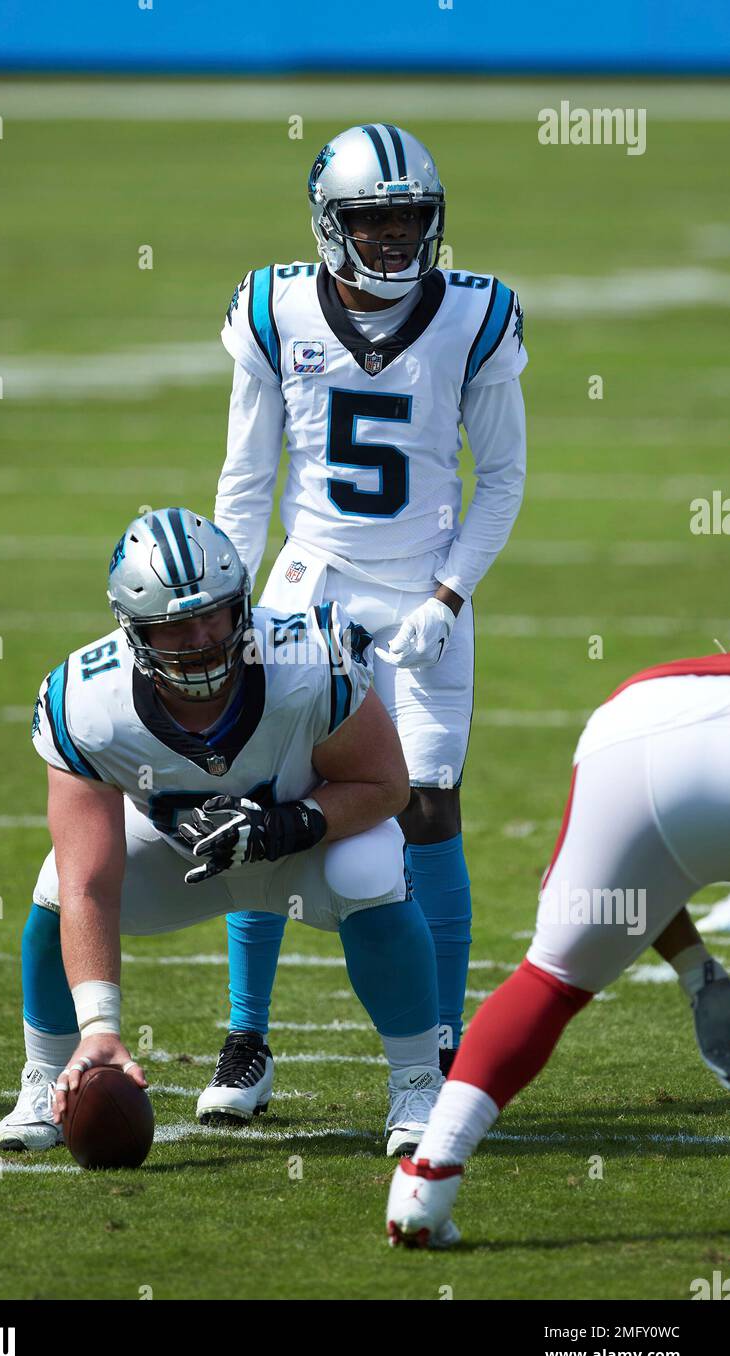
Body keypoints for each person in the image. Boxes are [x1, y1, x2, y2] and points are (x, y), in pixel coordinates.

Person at [208, 122, 528, 1122]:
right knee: (264, 797)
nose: (392, 243)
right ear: (327, 227)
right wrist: (232, 609)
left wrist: (446, 595)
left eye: (407, 223)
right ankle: (246, 1038)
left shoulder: (473, 314)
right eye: (371, 223)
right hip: (312, 577)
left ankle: (437, 1047)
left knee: (427, 805)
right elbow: (246, 482)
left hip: (421, 582)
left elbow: (503, 478)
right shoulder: (274, 310)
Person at [0, 506, 444, 1158]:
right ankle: (45, 1082)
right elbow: (88, 881)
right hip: (179, 861)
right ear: (133, 629)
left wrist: (286, 827)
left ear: (243, 604)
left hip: (305, 851)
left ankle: (418, 1084)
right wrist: (101, 1028)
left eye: (213, 614)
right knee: (57, 884)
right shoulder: (87, 702)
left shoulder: (310, 659)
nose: (201, 637)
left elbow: (387, 789)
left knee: (368, 869)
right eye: (174, 627)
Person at [386, 653, 730, 1248]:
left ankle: (425, 1184)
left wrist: (700, 976)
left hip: (632, 722)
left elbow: (646, 878)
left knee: (549, 981)